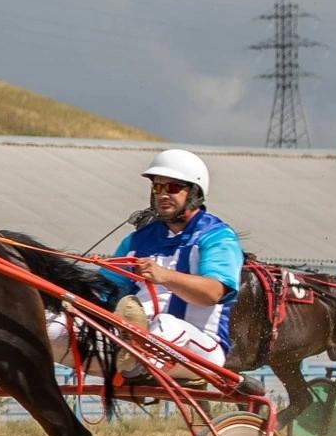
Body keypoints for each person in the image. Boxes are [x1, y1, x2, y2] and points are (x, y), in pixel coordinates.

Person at [95, 149, 243, 379]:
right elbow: (103, 289)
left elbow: (213, 293)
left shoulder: (217, 236)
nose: (163, 194)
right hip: (139, 341)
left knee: (167, 324)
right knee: (57, 323)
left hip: (200, 351)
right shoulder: (137, 240)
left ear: (193, 192)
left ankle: (133, 365)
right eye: (157, 187)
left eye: (173, 187)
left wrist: (164, 276)